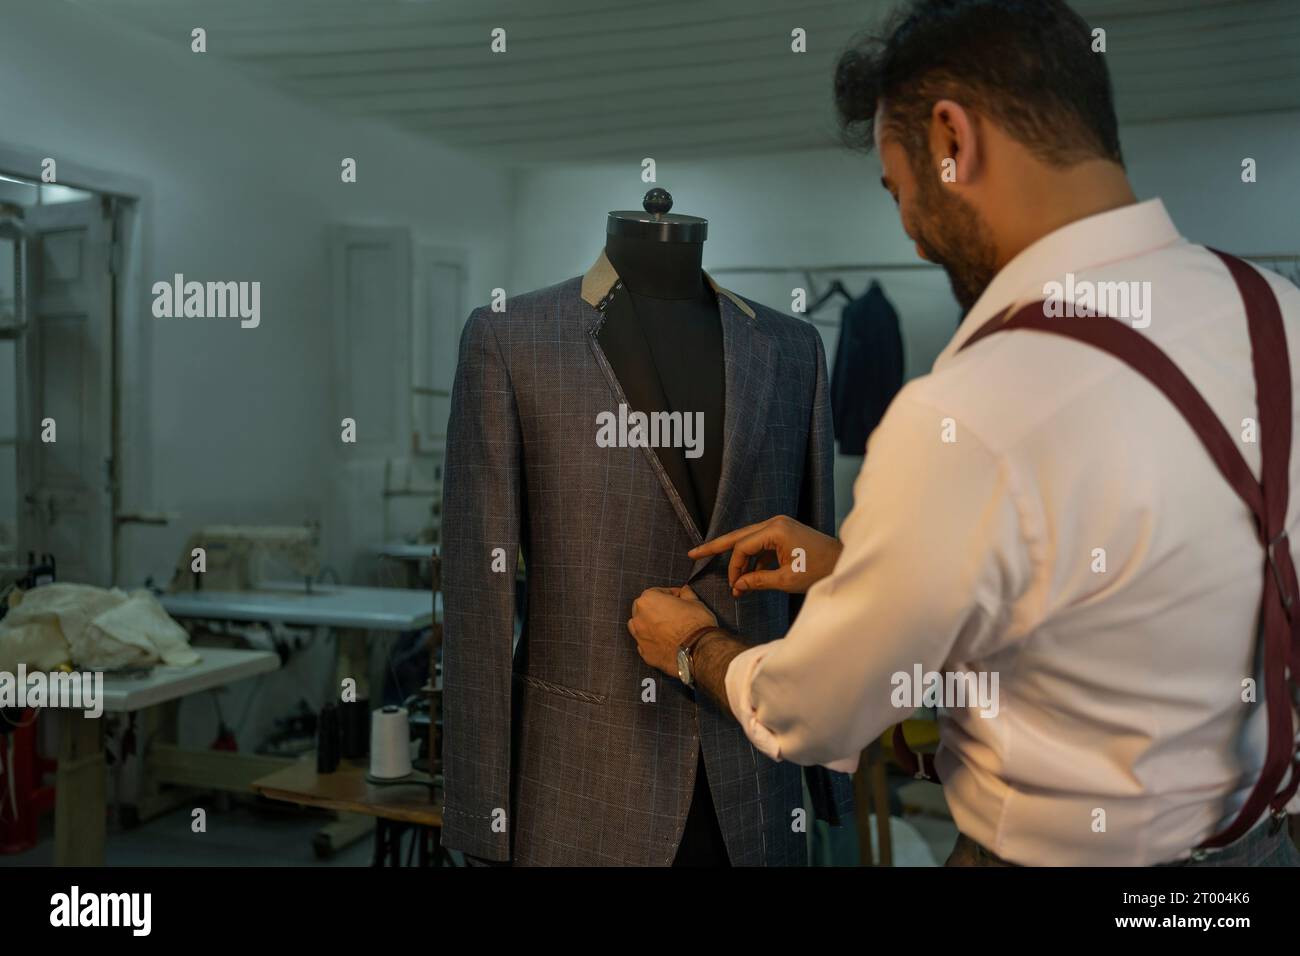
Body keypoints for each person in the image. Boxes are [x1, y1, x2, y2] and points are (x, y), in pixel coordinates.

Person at [626, 0, 1300, 866]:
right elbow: (1148, 594)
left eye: (897, 191)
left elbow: (813, 710)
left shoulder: (973, 405)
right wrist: (865, 572)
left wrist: (694, 649)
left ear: (952, 141)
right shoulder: (1280, 321)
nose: (911, 238)